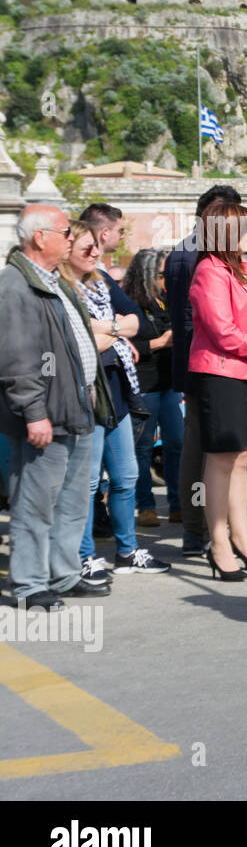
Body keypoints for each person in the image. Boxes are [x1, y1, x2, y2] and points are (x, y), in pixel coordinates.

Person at [0, 205, 114, 608]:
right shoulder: (16, 286)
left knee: (72, 502)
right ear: (40, 237)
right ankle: (30, 585)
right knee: (34, 504)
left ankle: (63, 575)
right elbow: (17, 360)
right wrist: (34, 413)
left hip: (75, 406)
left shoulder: (54, 281)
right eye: (66, 232)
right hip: (47, 413)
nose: (72, 238)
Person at [61, 222, 170, 578]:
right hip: (84, 392)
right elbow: (77, 338)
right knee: (89, 482)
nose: (95, 253)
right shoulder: (60, 288)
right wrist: (113, 329)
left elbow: (137, 321)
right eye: (86, 248)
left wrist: (103, 327)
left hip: (116, 390)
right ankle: (84, 555)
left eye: (96, 246)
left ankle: (128, 551)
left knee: (125, 476)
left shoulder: (102, 281)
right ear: (67, 250)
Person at [188, 202, 247, 582]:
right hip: (221, 375)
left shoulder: (242, 270)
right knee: (222, 459)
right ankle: (218, 544)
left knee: (241, 460)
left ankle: (242, 539)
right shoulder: (209, 271)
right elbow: (222, 331)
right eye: (245, 230)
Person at [167, 184, 242, 558]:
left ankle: (196, 531)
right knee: (218, 452)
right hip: (218, 363)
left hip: (191, 360)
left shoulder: (180, 252)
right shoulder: (210, 258)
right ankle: (213, 533)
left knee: (198, 448)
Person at [122, 248, 182, 527]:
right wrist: (160, 343)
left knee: (176, 445)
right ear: (147, 275)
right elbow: (124, 346)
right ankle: (145, 505)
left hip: (170, 383)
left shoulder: (168, 300)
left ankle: (177, 503)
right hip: (144, 384)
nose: (165, 280)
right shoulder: (129, 304)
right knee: (143, 448)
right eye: (160, 275)